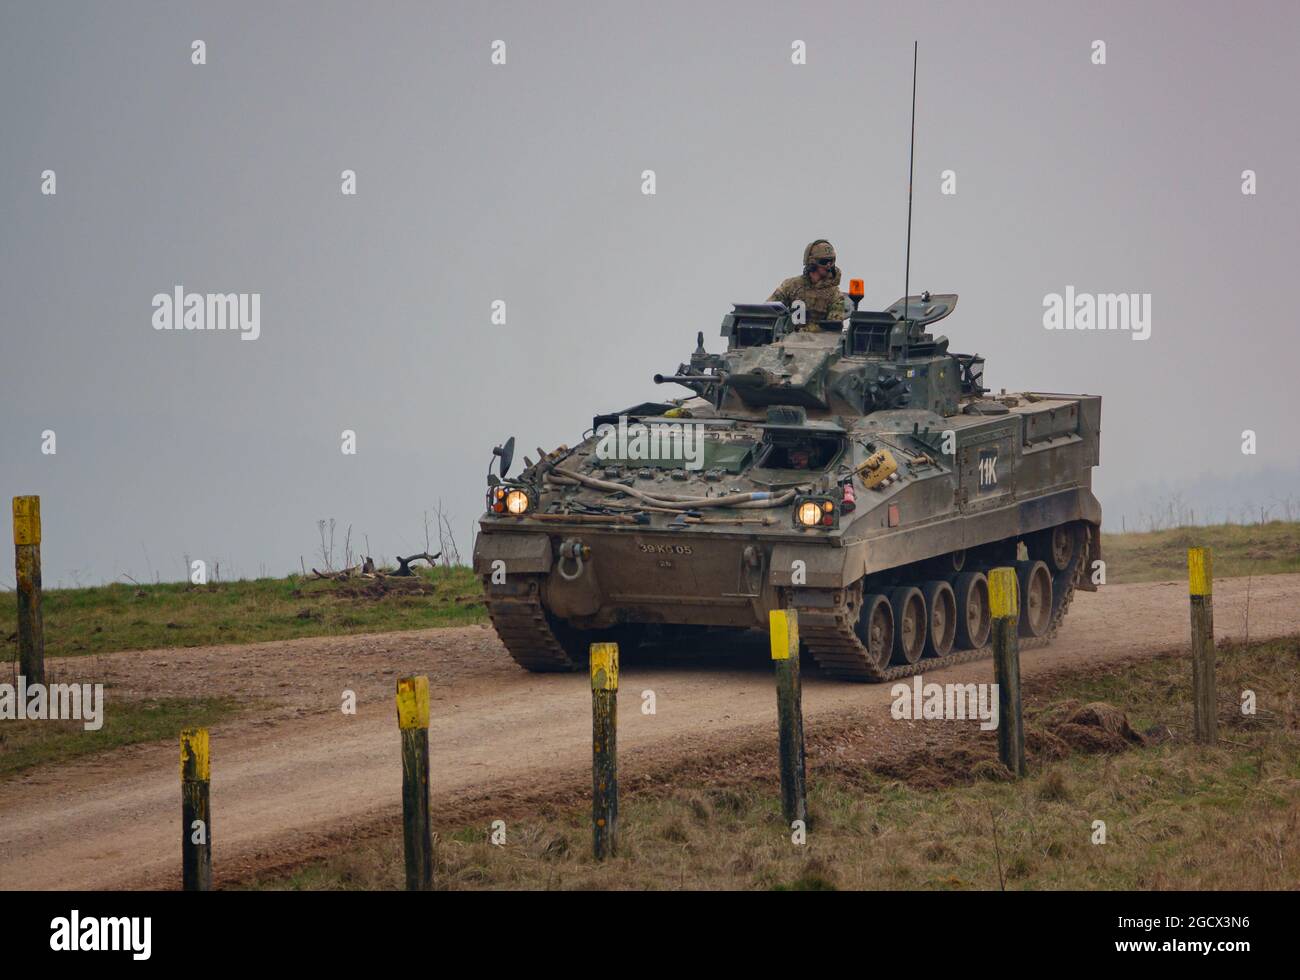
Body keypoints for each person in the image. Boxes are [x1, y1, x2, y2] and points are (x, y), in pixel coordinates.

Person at [768, 239, 849, 330]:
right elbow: (769, 310)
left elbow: (833, 329)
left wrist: (807, 330)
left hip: (819, 342)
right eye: (824, 261)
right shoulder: (791, 286)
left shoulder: (835, 295)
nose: (829, 265)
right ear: (812, 262)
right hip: (787, 339)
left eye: (832, 261)